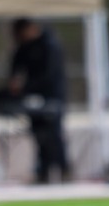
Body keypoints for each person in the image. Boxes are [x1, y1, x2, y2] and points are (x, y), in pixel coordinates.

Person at [8, 17, 70, 183]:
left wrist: (25, 86)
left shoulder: (50, 46)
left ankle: (61, 170)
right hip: (33, 98)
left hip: (52, 96)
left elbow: (49, 75)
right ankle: (43, 170)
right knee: (39, 135)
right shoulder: (24, 47)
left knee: (54, 135)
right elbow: (15, 66)